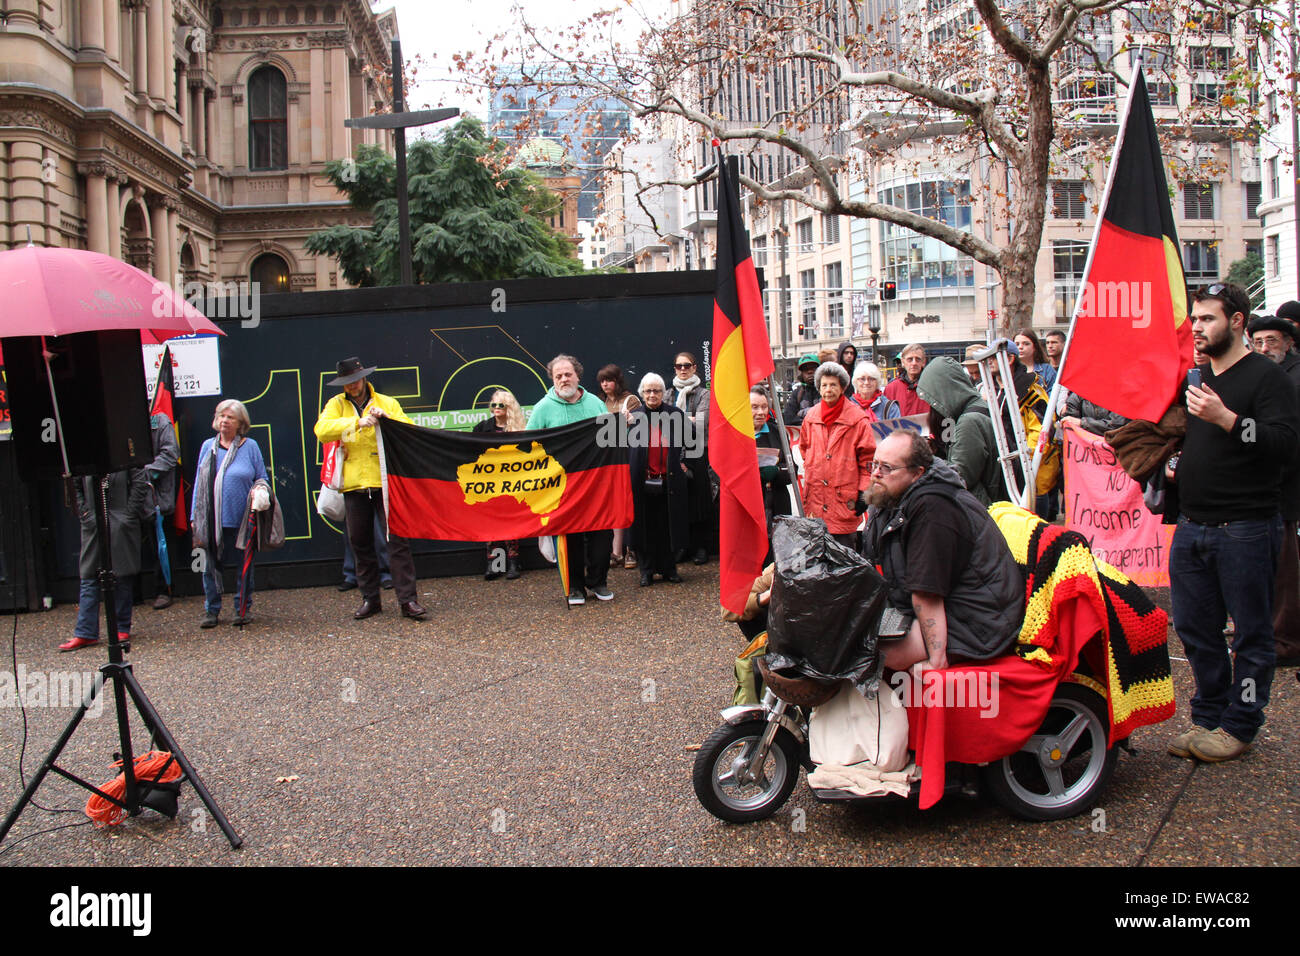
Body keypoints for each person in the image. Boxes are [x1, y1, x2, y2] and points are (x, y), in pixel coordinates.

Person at [1165, 282, 1299, 762]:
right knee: (1195, 629)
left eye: (1208, 319)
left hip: (1245, 527)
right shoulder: (1198, 376)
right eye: (1195, 320)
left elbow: (1285, 443)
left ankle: (1240, 725)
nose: (1197, 328)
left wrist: (1228, 419)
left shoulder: (1267, 378)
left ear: (1237, 321)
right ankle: (1209, 716)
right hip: (1193, 526)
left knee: (1251, 635)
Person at [862, 430, 1024, 674]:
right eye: (874, 464)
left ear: (917, 473)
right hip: (946, 605)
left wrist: (935, 661)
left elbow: (926, 593)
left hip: (978, 620)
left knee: (879, 653)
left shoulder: (933, 509)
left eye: (886, 467)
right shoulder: (890, 496)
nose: (876, 474)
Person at [314, 358, 427, 621]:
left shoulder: (387, 402)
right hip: (354, 484)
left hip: (385, 482)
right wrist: (356, 423)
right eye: (347, 382)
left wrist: (387, 420)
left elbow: (408, 428)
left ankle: (408, 601)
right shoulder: (336, 404)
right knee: (360, 544)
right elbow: (321, 430)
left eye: (355, 379)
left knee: (396, 542)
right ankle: (370, 599)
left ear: (364, 378)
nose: (352, 386)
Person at [527, 353, 615, 604]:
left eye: (568, 374)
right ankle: (575, 587)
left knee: (602, 536)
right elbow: (529, 444)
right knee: (570, 538)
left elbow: (611, 439)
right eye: (558, 376)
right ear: (553, 380)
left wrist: (624, 425)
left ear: (578, 376)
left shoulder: (596, 405)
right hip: (562, 489)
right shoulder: (543, 408)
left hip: (595, 485)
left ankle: (598, 581)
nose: (564, 379)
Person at [1248, 314, 1300, 666]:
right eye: (1260, 341)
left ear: (1288, 343)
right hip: (1260, 485)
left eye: (1273, 341)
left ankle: (1284, 639)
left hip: (1286, 484)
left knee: (1284, 567)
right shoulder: (1258, 374)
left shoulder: (1292, 378)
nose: (1265, 348)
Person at [191, 399, 270, 628]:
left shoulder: (250, 446)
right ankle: (211, 610)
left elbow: (261, 477)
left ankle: (242, 609)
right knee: (206, 565)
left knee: (244, 567)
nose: (224, 421)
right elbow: (198, 483)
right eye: (221, 416)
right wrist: (194, 519)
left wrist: (260, 489)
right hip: (210, 520)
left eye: (230, 417)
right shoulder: (208, 447)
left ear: (240, 422)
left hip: (242, 519)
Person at [59, 469, 151, 652]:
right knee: (88, 574)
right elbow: (73, 484)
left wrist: (129, 514)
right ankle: (85, 632)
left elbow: (140, 481)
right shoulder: (83, 451)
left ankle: (121, 627)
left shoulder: (122, 446)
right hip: (93, 518)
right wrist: (85, 513)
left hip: (120, 516)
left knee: (122, 573)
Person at [799, 361, 876, 549]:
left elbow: (868, 459)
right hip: (815, 501)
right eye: (824, 385)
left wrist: (863, 492)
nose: (828, 389)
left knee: (844, 558)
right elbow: (804, 448)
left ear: (842, 387)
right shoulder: (811, 417)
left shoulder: (858, 419)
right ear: (819, 388)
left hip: (843, 502)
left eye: (833, 384)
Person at [916, 356, 1004, 505]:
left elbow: (958, 477)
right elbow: (949, 450)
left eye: (932, 400)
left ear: (942, 393)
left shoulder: (969, 421)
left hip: (981, 507)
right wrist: (936, 449)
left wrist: (924, 459)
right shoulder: (969, 409)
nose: (932, 406)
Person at [628, 373, 688, 586]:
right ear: (641, 393)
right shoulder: (632, 417)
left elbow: (690, 443)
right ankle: (646, 571)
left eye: (656, 391)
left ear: (664, 393)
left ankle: (669, 569)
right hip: (642, 483)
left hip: (669, 482)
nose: (652, 394)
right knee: (645, 527)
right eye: (648, 391)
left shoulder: (676, 414)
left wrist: (685, 463)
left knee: (668, 527)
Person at [474, 388, 527, 581]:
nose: (496, 408)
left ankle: (514, 563)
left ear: (509, 407)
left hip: (512, 484)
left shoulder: (518, 430)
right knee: (490, 523)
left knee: (510, 523)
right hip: (488, 483)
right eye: (493, 404)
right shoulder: (481, 428)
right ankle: (495, 564)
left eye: (501, 405)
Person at [666, 351, 712, 566]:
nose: (682, 369)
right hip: (673, 454)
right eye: (678, 366)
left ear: (695, 367)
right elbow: (659, 424)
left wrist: (676, 419)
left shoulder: (705, 394)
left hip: (697, 453)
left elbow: (702, 424)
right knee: (677, 502)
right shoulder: (667, 393)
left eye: (687, 365)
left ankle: (700, 547)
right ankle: (681, 546)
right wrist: (687, 419)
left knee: (698, 500)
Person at [597, 365, 642, 570]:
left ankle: (631, 549)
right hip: (610, 460)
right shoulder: (601, 403)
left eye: (608, 380)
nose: (605, 384)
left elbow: (643, 429)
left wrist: (630, 422)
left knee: (631, 503)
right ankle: (616, 552)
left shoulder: (631, 400)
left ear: (618, 380)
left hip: (630, 457)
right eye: (602, 381)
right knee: (615, 505)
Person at [143, 411, 180, 609]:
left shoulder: (159, 419)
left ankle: (164, 589)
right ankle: (133, 593)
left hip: (154, 495)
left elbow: (170, 454)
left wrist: (144, 473)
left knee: (159, 544)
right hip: (127, 496)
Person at [751, 385, 792, 558]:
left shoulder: (778, 433)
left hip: (776, 503)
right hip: (749, 506)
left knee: (776, 556)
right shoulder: (733, 434)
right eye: (754, 407)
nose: (760, 412)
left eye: (764, 406)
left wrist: (776, 472)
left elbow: (792, 469)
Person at [883, 343, 932, 417]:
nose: (914, 363)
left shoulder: (932, 387)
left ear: (923, 362)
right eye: (910, 359)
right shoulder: (891, 388)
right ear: (903, 362)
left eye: (918, 359)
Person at [782, 353, 820, 425]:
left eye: (813, 368)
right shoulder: (797, 393)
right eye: (805, 369)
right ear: (802, 374)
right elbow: (788, 418)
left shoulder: (826, 390)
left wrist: (801, 414)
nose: (810, 372)